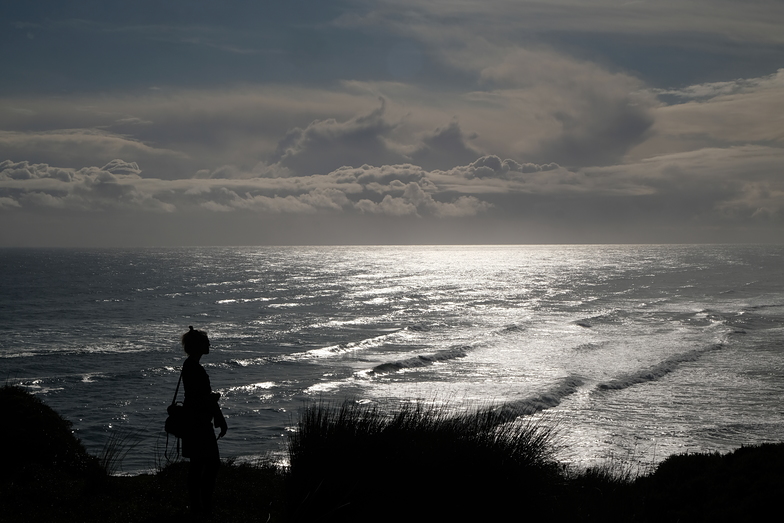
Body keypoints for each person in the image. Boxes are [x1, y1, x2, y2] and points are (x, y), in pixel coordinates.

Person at [181, 326, 228, 516]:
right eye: (205, 342)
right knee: (210, 464)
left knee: (198, 464)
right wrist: (219, 416)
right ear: (197, 345)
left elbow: (197, 396)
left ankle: (197, 506)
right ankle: (203, 506)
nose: (209, 344)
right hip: (199, 422)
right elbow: (202, 398)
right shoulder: (195, 368)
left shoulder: (189, 366)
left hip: (193, 420)